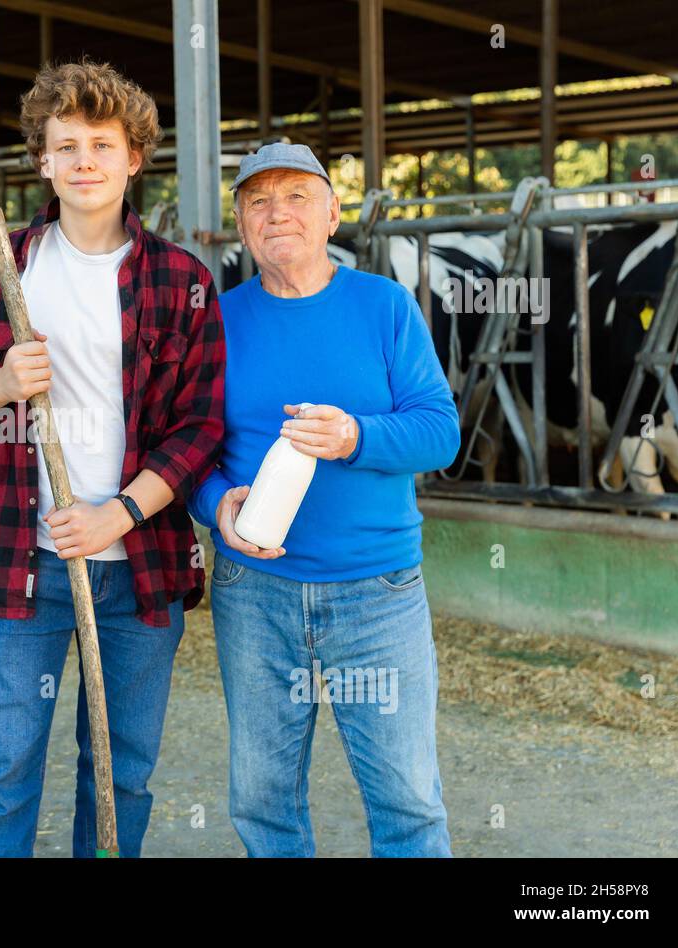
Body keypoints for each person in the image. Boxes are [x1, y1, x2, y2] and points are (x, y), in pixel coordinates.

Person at [0, 59, 226, 857]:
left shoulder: (182, 281)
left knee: (121, 774)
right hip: (21, 564)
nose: (84, 159)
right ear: (42, 161)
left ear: (133, 158)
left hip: (141, 564)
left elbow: (200, 428)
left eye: (102, 143)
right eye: (66, 145)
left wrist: (117, 515)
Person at [189, 143, 460, 857]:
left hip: (377, 591)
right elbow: (187, 450)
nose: (277, 213)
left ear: (333, 213)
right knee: (263, 799)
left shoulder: (385, 307)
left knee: (405, 798)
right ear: (242, 224)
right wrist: (215, 505)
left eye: (297, 196)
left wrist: (353, 436)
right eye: (258, 201)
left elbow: (440, 434)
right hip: (255, 592)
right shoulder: (217, 322)